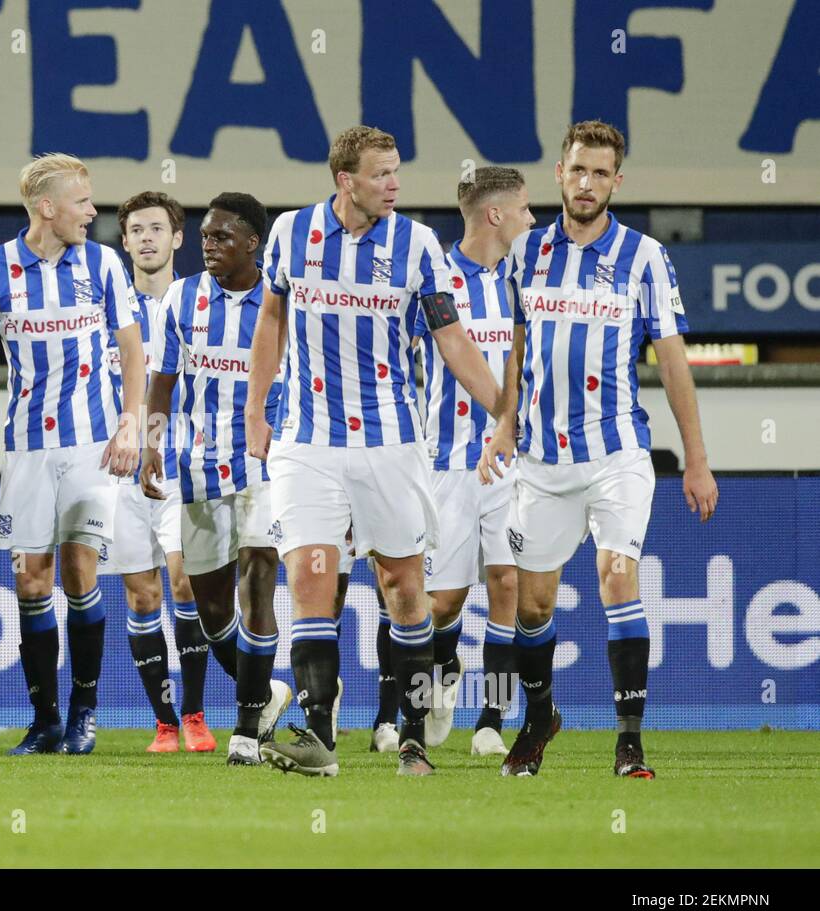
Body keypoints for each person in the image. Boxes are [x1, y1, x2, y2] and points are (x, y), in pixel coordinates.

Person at [245, 127, 504, 777]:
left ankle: (413, 736)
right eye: (381, 173)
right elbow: (271, 319)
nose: (394, 184)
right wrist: (255, 410)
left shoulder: (417, 245)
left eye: (396, 172)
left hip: (390, 442)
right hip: (307, 440)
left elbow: (451, 337)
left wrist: (505, 410)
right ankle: (318, 739)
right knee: (310, 577)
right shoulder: (290, 233)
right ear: (346, 180)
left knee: (403, 588)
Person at [481, 120, 718, 778]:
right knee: (533, 606)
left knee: (617, 577)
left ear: (618, 181)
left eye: (601, 173)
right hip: (542, 462)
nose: (587, 183)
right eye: (578, 169)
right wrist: (505, 423)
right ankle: (539, 719)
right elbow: (519, 348)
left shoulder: (644, 258)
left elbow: (673, 362)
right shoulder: (526, 252)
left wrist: (696, 459)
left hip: (618, 454)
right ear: (560, 173)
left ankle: (629, 741)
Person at [0, 154, 145, 755]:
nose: (92, 211)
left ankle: (85, 713)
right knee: (31, 583)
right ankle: (45, 720)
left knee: (80, 572)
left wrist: (130, 424)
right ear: (47, 206)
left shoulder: (104, 264)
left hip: (92, 444)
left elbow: (132, 351)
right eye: (81, 201)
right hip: (27, 448)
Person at [142, 192, 294, 767]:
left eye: (221, 236)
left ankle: (246, 730)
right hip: (199, 466)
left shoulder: (283, 302)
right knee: (210, 613)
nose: (208, 245)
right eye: (205, 236)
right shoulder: (181, 298)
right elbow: (163, 380)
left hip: (267, 465)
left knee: (258, 577)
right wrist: (151, 444)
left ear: (253, 243)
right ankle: (266, 693)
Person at [409, 166, 533, 757]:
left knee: (508, 582)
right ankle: (443, 672)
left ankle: (492, 718)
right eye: (525, 209)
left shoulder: (525, 282)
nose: (532, 219)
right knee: (442, 604)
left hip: (512, 462)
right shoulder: (433, 279)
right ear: (495, 214)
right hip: (447, 461)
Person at [102, 191, 216, 753]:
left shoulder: (199, 302)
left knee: (184, 580)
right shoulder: (104, 308)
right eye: (136, 230)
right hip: (118, 474)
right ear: (124, 242)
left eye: (157, 229)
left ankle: (195, 715)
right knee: (142, 596)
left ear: (177, 238)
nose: (146, 238)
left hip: (180, 467)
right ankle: (165, 722)